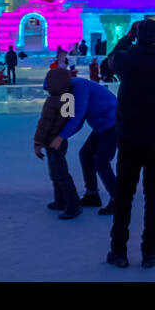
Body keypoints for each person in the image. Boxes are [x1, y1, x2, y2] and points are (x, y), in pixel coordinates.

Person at [104, 14, 155, 269]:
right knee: (154, 195)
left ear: (137, 36)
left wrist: (126, 38)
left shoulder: (125, 61)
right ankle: (150, 251)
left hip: (129, 136)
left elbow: (110, 60)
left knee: (124, 195)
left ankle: (118, 251)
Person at [59, 73, 119, 215]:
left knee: (101, 161)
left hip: (114, 124)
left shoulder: (80, 86)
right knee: (86, 154)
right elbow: (68, 118)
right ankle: (92, 195)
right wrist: (60, 135)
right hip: (101, 126)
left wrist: (61, 137)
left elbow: (78, 115)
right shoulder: (66, 92)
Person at [34, 68, 81, 220]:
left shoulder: (52, 101)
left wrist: (37, 142)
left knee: (59, 174)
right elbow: (67, 121)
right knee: (59, 172)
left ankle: (72, 205)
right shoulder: (69, 98)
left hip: (51, 142)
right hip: (61, 141)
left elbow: (44, 124)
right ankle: (61, 200)